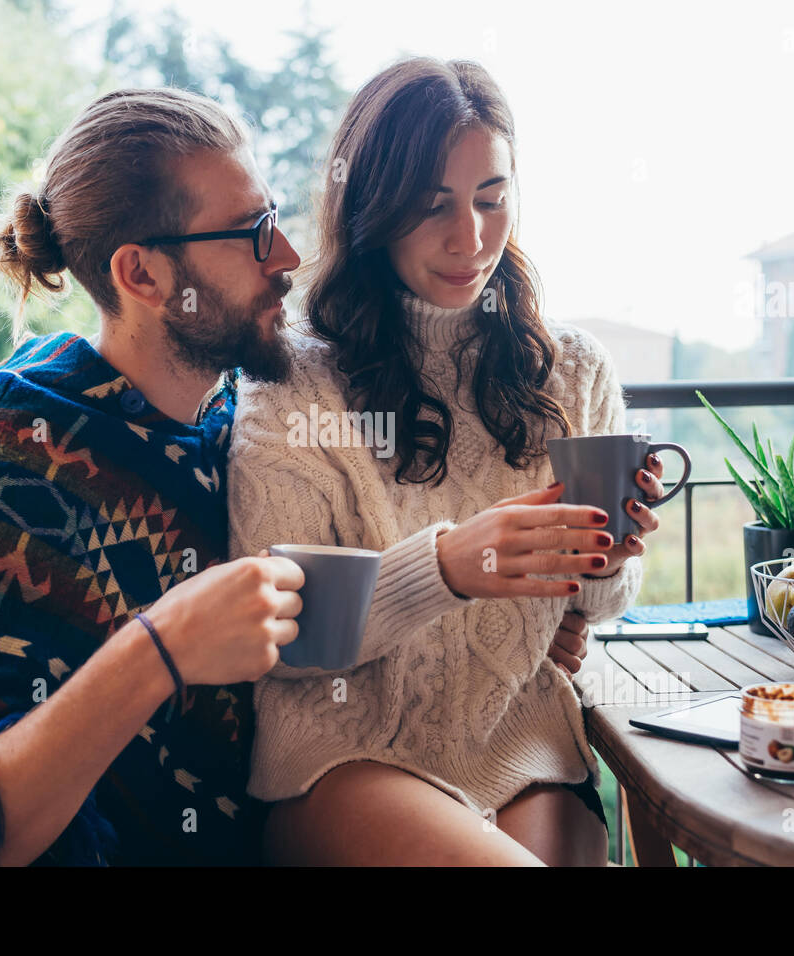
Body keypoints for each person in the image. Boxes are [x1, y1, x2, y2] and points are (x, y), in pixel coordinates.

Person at [0, 88, 307, 865]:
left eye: (277, 217)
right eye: (255, 233)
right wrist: (159, 649)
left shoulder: (240, 423)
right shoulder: (20, 457)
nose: (289, 258)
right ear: (141, 274)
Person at [228, 57, 668, 866]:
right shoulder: (294, 385)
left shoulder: (573, 370)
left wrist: (611, 552)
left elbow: (595, 607)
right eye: (433, 207)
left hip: (523, 738)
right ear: (373, 209)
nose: (470, 239)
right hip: (347, 754)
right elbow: (286, 638)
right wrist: (450, 567)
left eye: (491, 200)